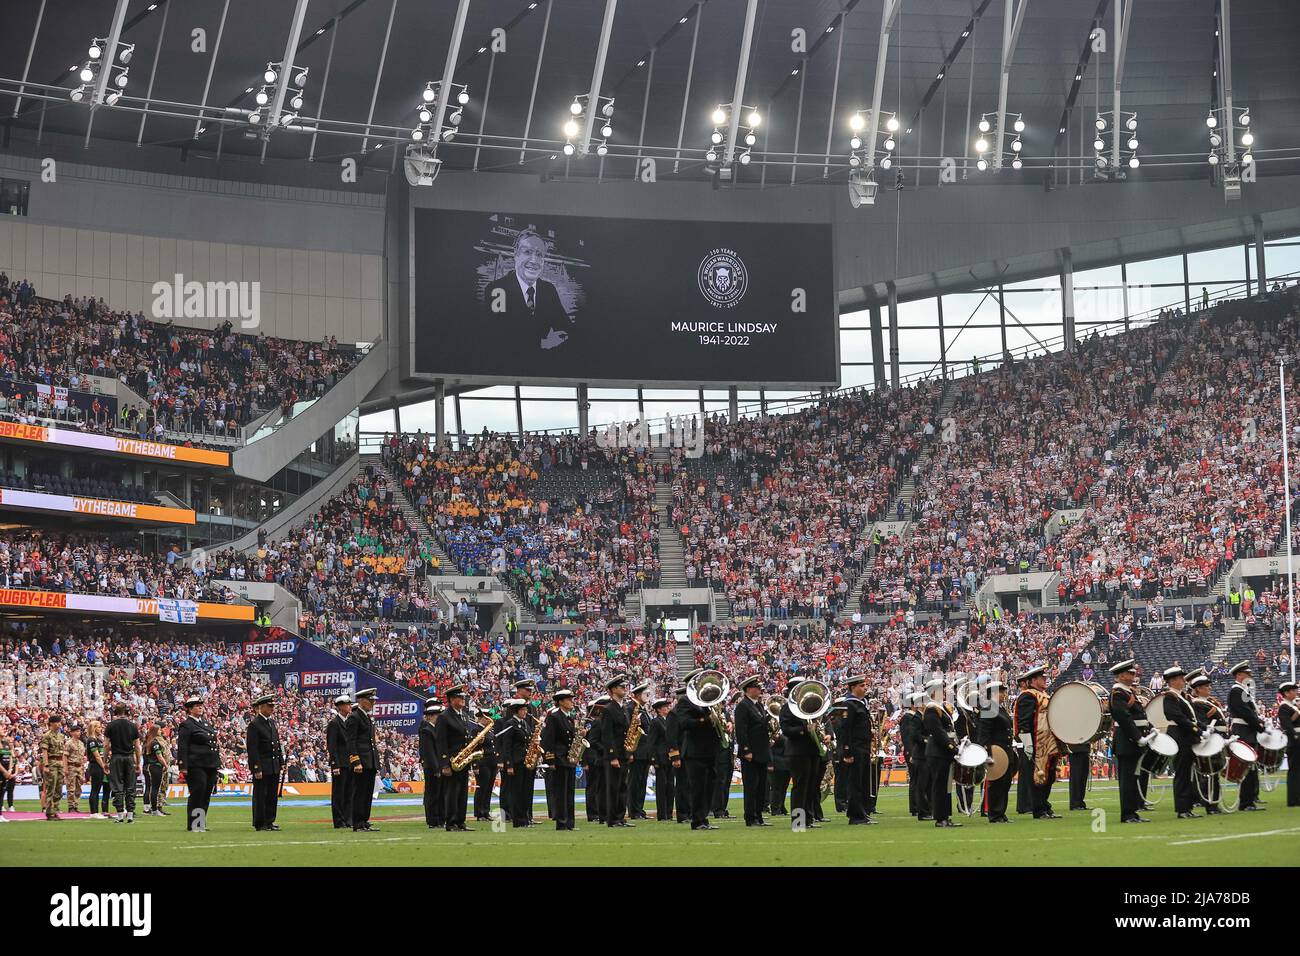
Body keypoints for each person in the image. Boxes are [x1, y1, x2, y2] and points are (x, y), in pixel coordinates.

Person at [482, 229, 572, 353]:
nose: (534, 260)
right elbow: (497, 338)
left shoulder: (548, 290)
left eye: (539, 254)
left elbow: (566, 329)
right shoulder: (498, 290)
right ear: (516, 254)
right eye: (527, 252)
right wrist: (543, 343)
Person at [676, 671, 722, 831]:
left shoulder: (706, 702)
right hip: (695, 752)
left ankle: (704, 818)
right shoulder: (684, 702)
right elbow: (683, 723)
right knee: (697, 788)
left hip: (709, 750)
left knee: (709, 786)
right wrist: (705, 720)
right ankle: (697, 820)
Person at [1014, 665, 1060, 819]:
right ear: (1033, 680)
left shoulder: (1043, 695)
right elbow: (1024, 721)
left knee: (1050, 775)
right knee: (1038, 776)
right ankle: (1038, 809)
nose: (1045, 680)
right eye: (1042, 678)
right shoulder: (1028, 696)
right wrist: (1027, 742)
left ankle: (1044, 805)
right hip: (1037, 742)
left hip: (1049, 742)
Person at [1109, 660, 1150, 824]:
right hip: (1127, 741)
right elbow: (1124, 718)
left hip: (1132, 740)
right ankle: (1127, 814)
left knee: (1133, 779)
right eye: (1131, 673)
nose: (1134, 675)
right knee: (1127, 780)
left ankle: (1133, 813)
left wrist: (1149, 729)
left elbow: (1138, 716)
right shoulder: (1118, 693)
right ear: (1122, 676)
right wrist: (1137, 736)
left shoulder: (1128, 692)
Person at [778, 679, 820, 830]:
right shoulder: (787, 708)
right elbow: (786, 729)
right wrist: (804, 730)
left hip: (812, 750)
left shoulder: (810, 707)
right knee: (800, 786)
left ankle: (808, 818)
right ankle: (798, 821)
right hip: (797, 751)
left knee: (810, 786)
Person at [1159, 667, 1199, 819]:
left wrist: (1200, 728)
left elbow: (1191, 717)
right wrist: (1196, 729)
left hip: (1186, 736)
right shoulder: (1170, 696)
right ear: (1173, 680)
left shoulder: (1182, 696)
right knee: (1182, 773)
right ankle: (1182, 809)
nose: (1184, 680)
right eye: (1181, 678)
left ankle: (1187, 807)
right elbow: (1175, 716)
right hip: (1180, 735)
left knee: (1187, 772)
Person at [733, 675, 772, 827]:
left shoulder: (759, 706)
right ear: (749, 689)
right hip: (751, 753)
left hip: (761, 751)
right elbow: (741, 731)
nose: (760, 690)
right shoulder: (743, 706)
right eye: (757, 688)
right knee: (751, 786)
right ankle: (750, 817)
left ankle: (759, 815)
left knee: (761, 786)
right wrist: (746, 749)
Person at [835, 676, 875, 825]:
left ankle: (862, 812)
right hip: (855, 748)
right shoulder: (849, 704)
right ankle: (855, 815)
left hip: (863, 747)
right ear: (853, 687)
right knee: (855, 783)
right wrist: (847, 751)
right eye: (862, 685)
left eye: (866, 685)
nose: (865, 688)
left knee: (863, 782)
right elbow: (845, 730)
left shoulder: (860, 704)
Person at [1226, 661, 1266, 810]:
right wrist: (1259, 725)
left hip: (1248, 731)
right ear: (1239, 675)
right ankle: (1246, 802)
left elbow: (1250, 713)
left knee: (1251, 768)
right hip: (1244, 731)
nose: (1250, 677)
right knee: (1247, 769)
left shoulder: (1243, 691)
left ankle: (1250, 799)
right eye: (1247, 674)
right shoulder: (1237, 691)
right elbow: (1245, 712)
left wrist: (1258, 723)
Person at [433, 684, 473, 831]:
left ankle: (461, 821)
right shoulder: (444, 717)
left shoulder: (463, 715)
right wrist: (444, 764)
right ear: (451, 699)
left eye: (463, 697)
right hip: (451, 762)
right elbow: (441, 742)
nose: (463, 699)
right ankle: (451, 822)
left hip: (463, 761)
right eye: (459, 697)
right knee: (451, 793)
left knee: (462, 793)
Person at [922, 678, 961, 828]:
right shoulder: (932, 708)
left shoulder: (940, 707)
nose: (944, 692)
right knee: (939, 786)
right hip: (938, 751)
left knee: (945, 786)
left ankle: (945, 816)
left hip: (943, 751)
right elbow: (938, 732)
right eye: (940, 689)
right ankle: (940, 818)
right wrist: (952, 747)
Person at [177, 695, 220, 831]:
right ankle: (194, 823)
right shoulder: (187, 725)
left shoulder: (205, 723)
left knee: (206, 793)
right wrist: (183, 765)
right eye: (197, 706)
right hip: (196, 764)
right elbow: (183, 746)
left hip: (210, 763)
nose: (200, 708)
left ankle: (201, 822)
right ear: (190, 709)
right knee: (198, 792)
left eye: (201, 706)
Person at [975, 681, 1014, 823]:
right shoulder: (987, 709)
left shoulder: (999, 709)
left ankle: (1001, 813)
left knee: (1005, 784)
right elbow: (983, 734)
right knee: (997, 785)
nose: (1004, 695)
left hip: (1006, 751)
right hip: (996, 752)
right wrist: (987, 754)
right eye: (1001, 692)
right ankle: (995, 813)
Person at [540, 689, 578, 830]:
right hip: (559, 759)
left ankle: (570, 822)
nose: (571, 702)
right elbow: (547, 741)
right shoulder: (554, 717)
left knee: (569, 792)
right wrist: (550, 761)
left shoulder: (569, 717)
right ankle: (562, 822)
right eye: (569, 699)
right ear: (561, 702)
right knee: (561, 794)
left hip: (570, 759)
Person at [246, 693, 284, 832]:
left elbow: (277, 744)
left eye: (272, 706)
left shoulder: (271, 722)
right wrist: (256, 768)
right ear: (261, 707)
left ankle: (269, 820)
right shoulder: (255, 725)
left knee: (272, 796)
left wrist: (281, 761)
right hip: (263, 765)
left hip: (273, 765)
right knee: (261, 795)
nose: (272, 709)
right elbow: (253, 748)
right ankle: (260, 822)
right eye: (269, 706)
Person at [1188, 675, 1226, 814]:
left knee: (1214, 773)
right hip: (1209, 740)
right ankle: (1211, 805)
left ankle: (1213, 803)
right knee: (1210, 774)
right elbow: (1203, 722)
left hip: (1217, 739)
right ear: (1198, 689)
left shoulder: (1207, 702)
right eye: (1206, 687)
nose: (1209, 688)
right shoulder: (1198, 704)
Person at [600, 674, 633, 828]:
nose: (624, 689)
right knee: (613, 787)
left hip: (624, 753)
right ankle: (613, 819)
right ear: (613, 689)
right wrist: (612, 756)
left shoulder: (624, 708)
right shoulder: (608, 709)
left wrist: (629, 752)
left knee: (623, 788)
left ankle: (620, 817)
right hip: (614, 755)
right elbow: (607, 735)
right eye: (621, 687)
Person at [346, 688, 380, 831]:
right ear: (361, 700)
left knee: (367, 793)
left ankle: (364, 820)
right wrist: (356, 761)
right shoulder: (355, 717)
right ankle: (358, 822)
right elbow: (351, 741)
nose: (372, 703)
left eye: (373, 700)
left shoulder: (366, 717)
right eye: (370, 700)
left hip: (369, 760)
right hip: (361, 760)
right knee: (360, 793)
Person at [496, 699, 532, 828]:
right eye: (522, 710)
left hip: (526, 761)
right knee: (516, 792)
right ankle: (518, 820)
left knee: (525, 792)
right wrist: (509, 764)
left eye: (525, 709)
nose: (525, 712)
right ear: (516, 711)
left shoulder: (525, 724)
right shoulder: (510, 724)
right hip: (516, 762)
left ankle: (525, 818)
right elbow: (507, 746)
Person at [105, 704, 141, 824]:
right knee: (130, 786)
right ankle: (130, 815)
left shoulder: (110, 726)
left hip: (116, 757)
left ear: (116, 713)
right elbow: (137, 746)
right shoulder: (133, 726)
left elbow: (106, 745)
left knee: (117, 786)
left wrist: (105, 761)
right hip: (129, 757)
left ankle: (120, 815)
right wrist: (138, 762)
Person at [625, 681, 654, 821]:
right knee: (634, 782)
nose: (647, 695)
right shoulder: (631, 708)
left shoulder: (642, 709)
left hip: (644, 751)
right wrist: (630, 752)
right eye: (644, 693)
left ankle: (639, 809)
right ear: (637, 695)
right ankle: (633, 811)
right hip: (636, 751)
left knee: (642, 782)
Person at [326, 694, 354, 829]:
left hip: (349, 763)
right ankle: (339, 820)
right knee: (339, 793)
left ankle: (348, 819)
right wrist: (334, 764)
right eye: (347, 704)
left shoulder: (348, 722)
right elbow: (332, 746)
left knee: (349, 793)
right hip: (340, 763)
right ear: (341, 707)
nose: (350, 706)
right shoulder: (334, 723)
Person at [900, 691, 929, 819]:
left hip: (916, 752)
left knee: (918, 780)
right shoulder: (908, 718)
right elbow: (908, 738)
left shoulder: (917, 717)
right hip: (913, 752)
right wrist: (911, 752)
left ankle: (919, 806)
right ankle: (915, 807)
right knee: (916, 780)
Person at [666, 685, 693, 823]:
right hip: (681, 754)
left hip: (690, 753)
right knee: (682, 784)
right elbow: (671, 737)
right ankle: (682, 814)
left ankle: (690, 812)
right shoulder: (674, 714)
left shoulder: (689, 713)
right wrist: (675, 757)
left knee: (691, 784)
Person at [646, 697, 675, 821]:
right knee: (661, 787)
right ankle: (662, 814)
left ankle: (669, 812)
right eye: (665, 707)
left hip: (669, 757)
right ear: (659, 710)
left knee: (670, 786)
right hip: (660, 758)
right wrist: (654, 759)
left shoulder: (668, 721)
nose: (668, 709)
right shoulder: (655, 722)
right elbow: (651, 742)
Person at [418, 700, 443, 829]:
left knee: (439, 793)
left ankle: (439, 818)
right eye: (437, 715)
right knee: (432, 794)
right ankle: (432, 820)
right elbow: (429, 752)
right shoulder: (426, 730)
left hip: (437, 765)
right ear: (431, 716)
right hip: (432, 767)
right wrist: (436, 768)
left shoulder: (436, 729)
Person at [37, 714, 67, 821]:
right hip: (51, 762)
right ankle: (49, 812)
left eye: (60, 722)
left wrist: (64, 765)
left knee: (59, 788)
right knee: (51, 788)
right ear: (51, 724)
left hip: (59, 762)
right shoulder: (47, 736)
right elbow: (44, 751)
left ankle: (55, 809)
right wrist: (45, 765)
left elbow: (63, 752)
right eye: (57, 722)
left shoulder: (61, 736)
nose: (59, 724)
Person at [472, 705, 497, 822]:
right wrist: (475, 765)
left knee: (488, 788)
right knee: (482, 787)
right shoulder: (476, 730)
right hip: (482, 762)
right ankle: (479, 812)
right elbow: (474, 748)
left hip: (492, 762)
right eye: (487, 718)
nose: (489, 720)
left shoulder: (490, 731)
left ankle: (486, 811)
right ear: (481, 718)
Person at [1277, 681, 1300, 808]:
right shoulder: (1284, 707)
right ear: (1286, 693)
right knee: (1294, 770)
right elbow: (1287, 725)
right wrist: (1295, 737)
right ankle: (1293, 799)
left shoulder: (1292, 706)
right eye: (1293, 690)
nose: (1296, 692)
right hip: (1295, 741)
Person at [142, 725, 170, 816]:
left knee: (153, 788)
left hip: (152, 766)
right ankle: (154, 810)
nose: (160, 731)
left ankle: (153, 809)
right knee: (155, 788)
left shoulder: (150, 742)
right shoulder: (155, 743)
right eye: (159, 730)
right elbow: (159, 756)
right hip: (155, 766)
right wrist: (165, 765)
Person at [84, 721, 110, 818]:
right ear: (94, 728)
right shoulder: (91, 740)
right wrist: (103, 766)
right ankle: (94, 812)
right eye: (98, 727)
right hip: (95, 765)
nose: (101, 729)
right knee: (95, 789)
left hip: (98, 765)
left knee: (97, 789)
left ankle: (96, 811)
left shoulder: (98, 740)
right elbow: (97, 756)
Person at [64, 725, 86, 815]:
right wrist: (65, 768)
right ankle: (71, 806)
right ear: (72, 732)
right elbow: (65, 756)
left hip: (79, 766)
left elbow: (82, 757)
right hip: (71, 766)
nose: (78, 733)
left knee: (78, 788)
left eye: (79, 731)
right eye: (76, 731)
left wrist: (83, 768)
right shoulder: (68, 743)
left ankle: (76, 805)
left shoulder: (81, 743)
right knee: (71, 787)